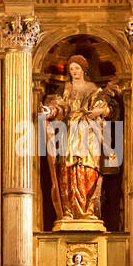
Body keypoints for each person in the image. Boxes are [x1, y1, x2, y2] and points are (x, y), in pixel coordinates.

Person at [43, 55, 118, 222]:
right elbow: (59, 106)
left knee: (88, 168)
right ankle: (68, 211)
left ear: (83, 69)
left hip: (89, 134)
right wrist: (51, 111)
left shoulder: (94, 89)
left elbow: (107, 109)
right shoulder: (66, 89)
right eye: (71, 69)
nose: (74, 72)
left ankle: (88, 210)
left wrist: (101, 111)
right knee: (67, 168)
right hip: (69, 132)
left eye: (77, 68)